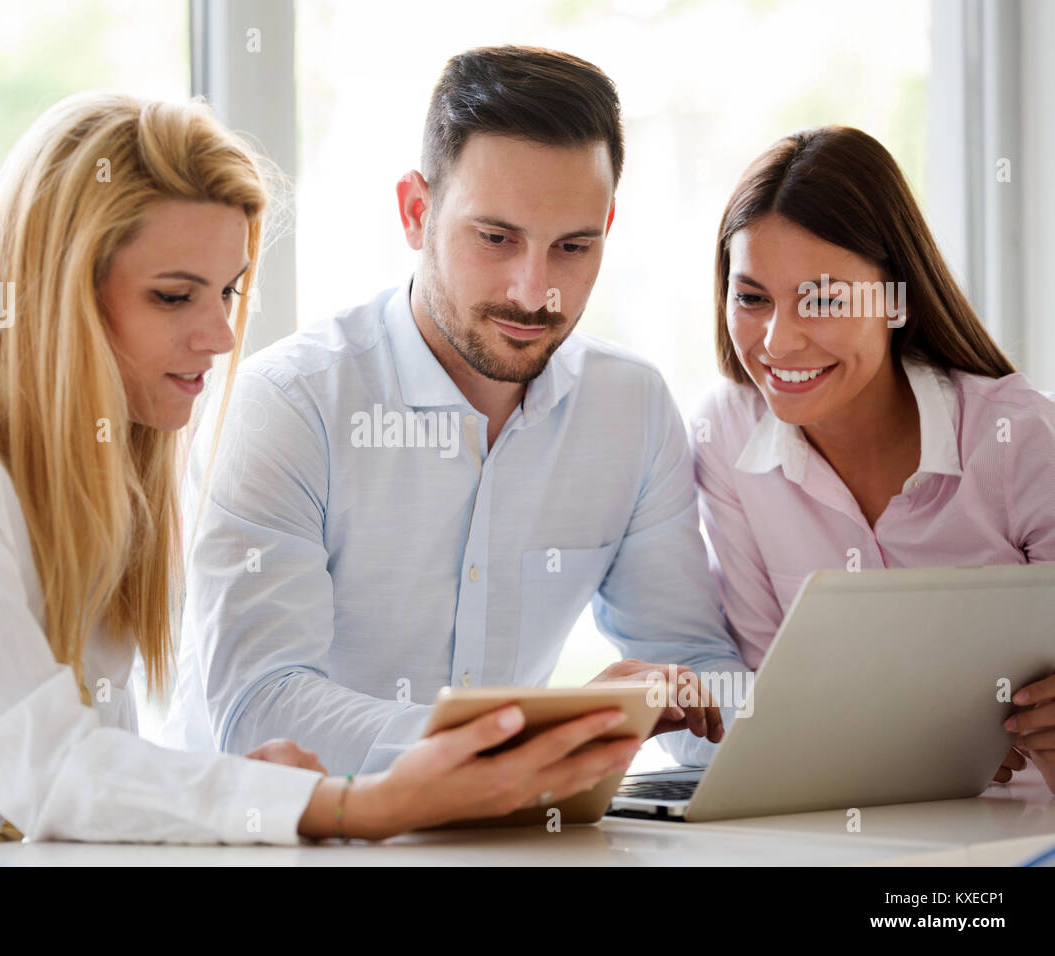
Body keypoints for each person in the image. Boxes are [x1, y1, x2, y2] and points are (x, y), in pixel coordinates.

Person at [0, 90, 646, 846]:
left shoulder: (112, 469)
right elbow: (46, 769)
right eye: (174, 296)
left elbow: (83, 769)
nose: (221, 334)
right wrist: (351, 804)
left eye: (227, 292)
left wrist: (236, 794)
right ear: (62, 291)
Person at [166, 45, 746, 776]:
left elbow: (694, 675)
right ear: (417, 212)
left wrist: (809, 723)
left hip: (504, 842)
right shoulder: (291, 404)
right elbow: (259, 707)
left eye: (573, 246)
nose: (535, 291)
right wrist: (536, 733)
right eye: (496, 238)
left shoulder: (630, 408)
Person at [692, 125, 1055, 793]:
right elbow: (772, 702)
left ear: (897, 300)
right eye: (751, 298)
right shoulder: (726, 432)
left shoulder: (1020, 440)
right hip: (835, 826)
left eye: (824, 299)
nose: (779, 342)